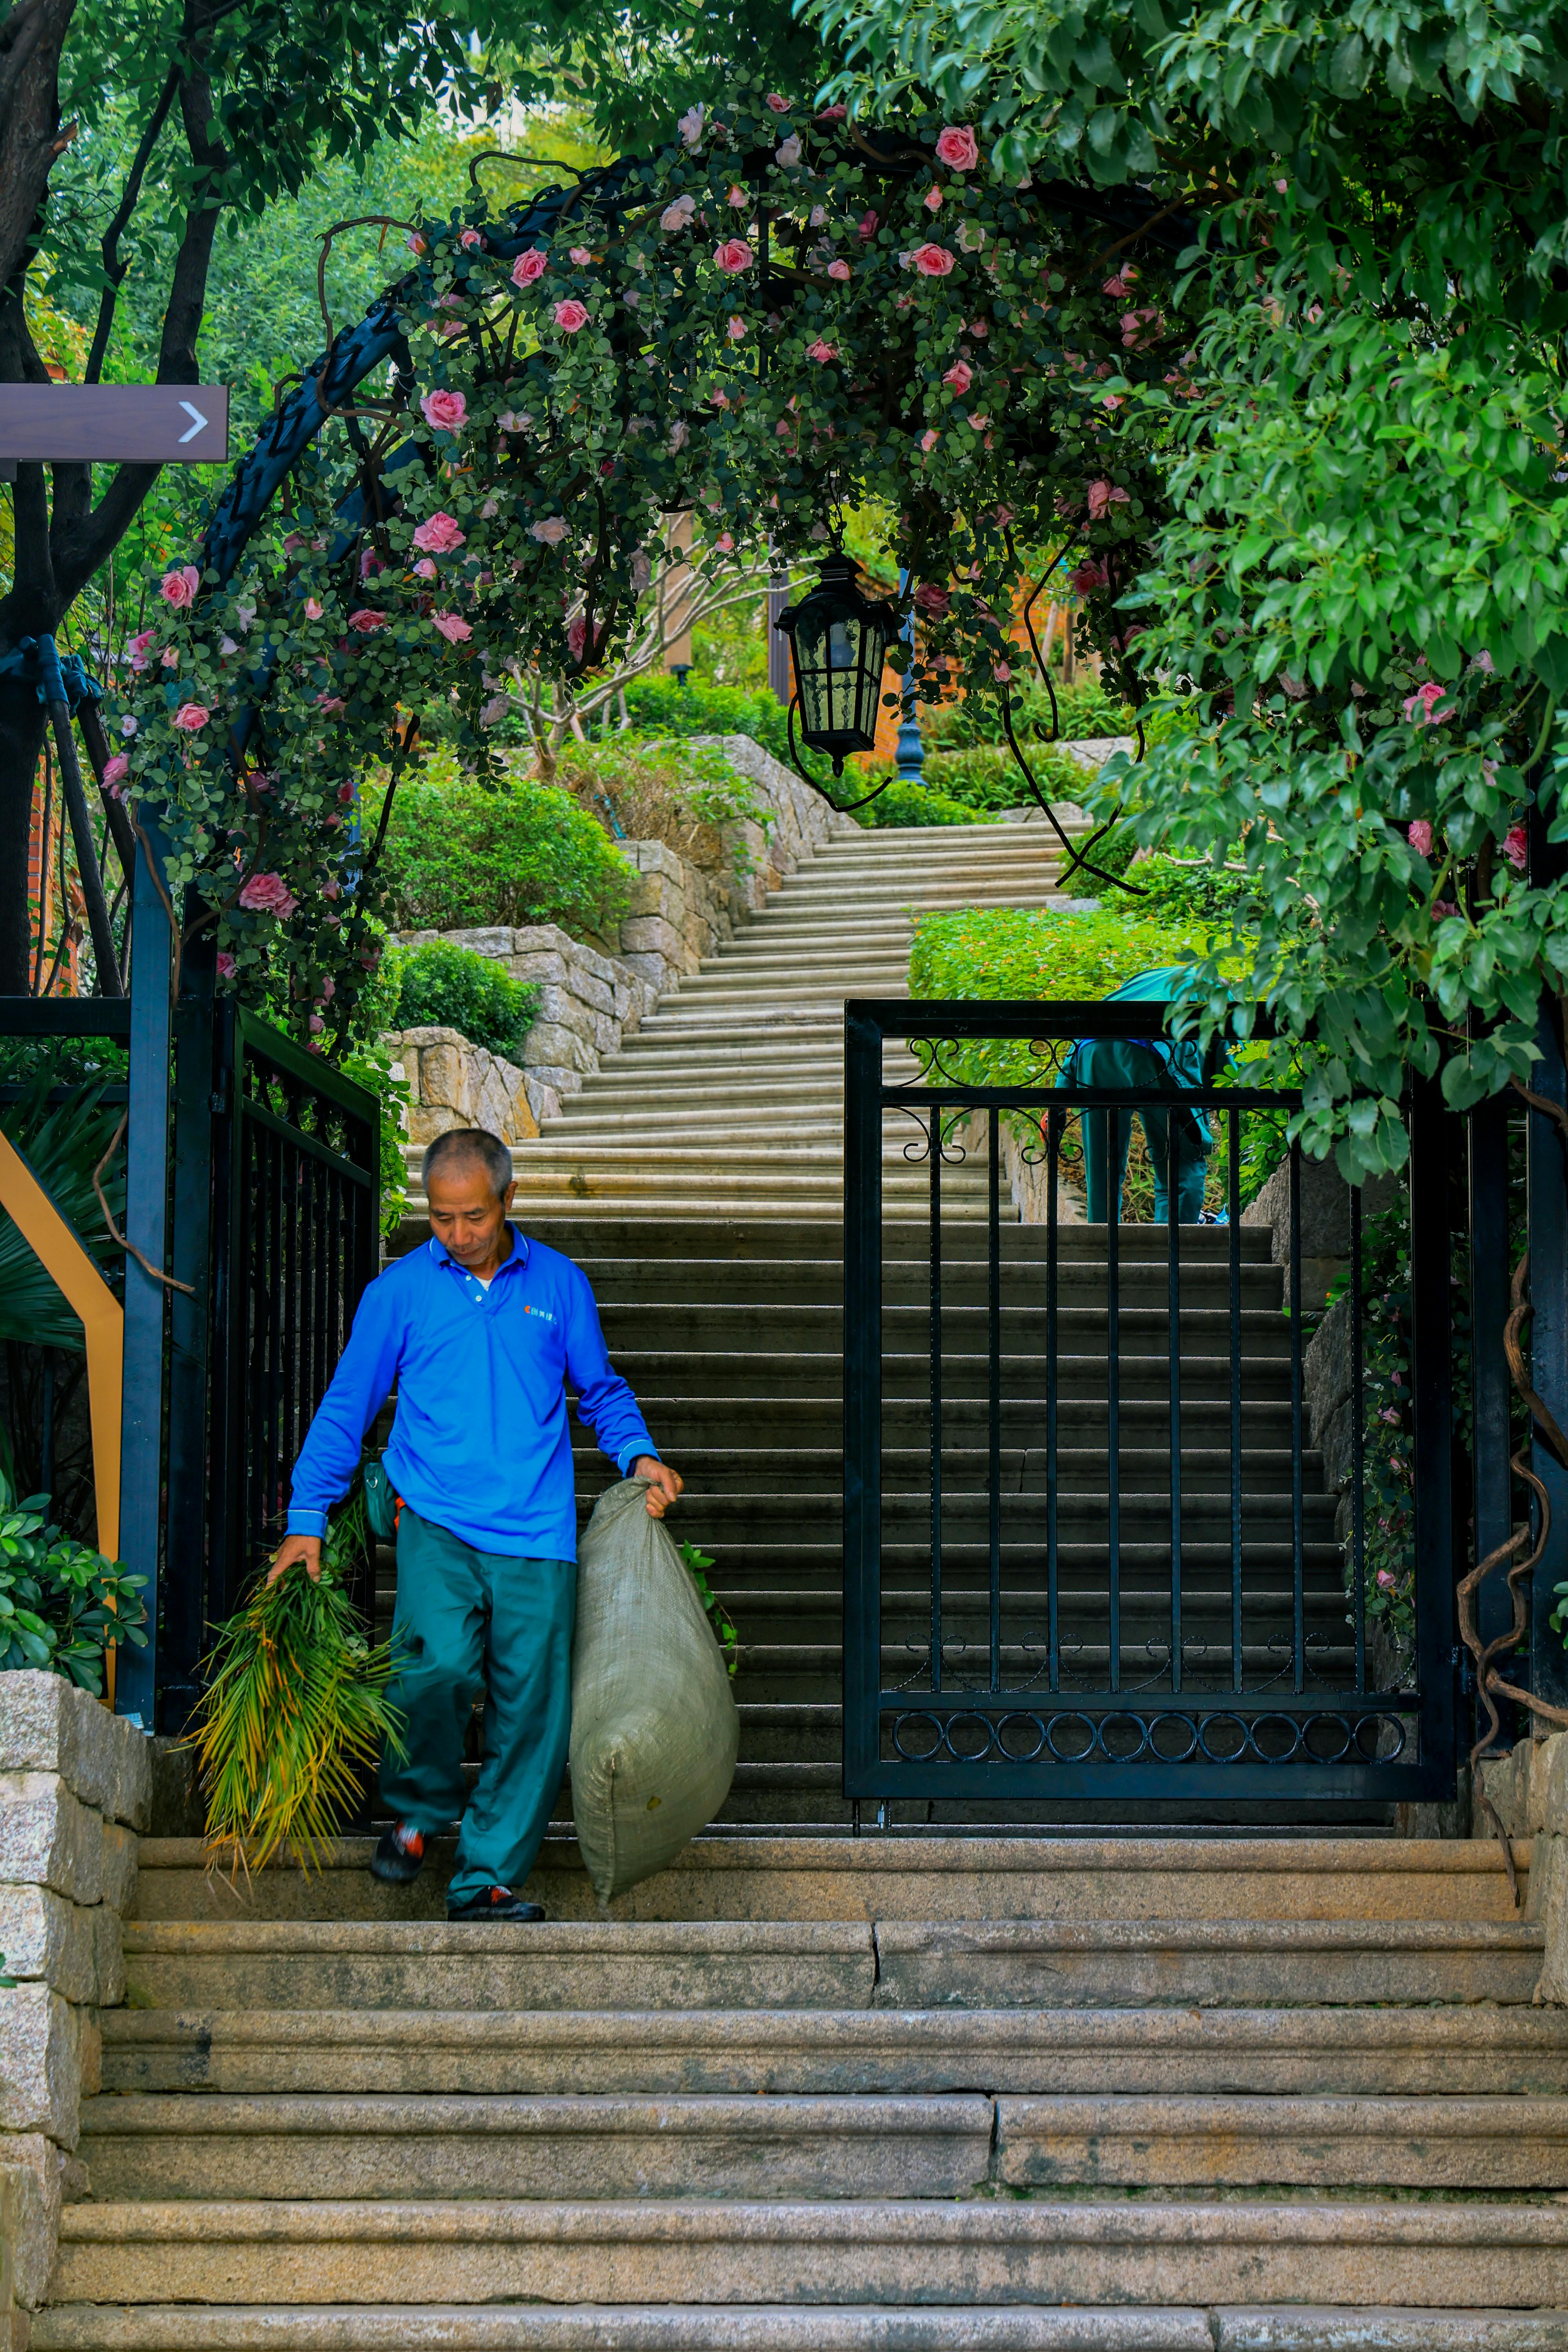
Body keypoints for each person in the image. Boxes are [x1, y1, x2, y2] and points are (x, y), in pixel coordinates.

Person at [267, 1125, 682, 1923]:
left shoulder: (559, 1286)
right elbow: (346, 1407)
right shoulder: (398, 1293)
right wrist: (305, 1517)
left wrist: (639, 1457)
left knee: (531, 1710)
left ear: (509, 1202)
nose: (457, 1235)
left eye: (474, 1218)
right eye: (441, 1219)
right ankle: (421, 1810)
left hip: (536, 1532)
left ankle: (486, 1876)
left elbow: (599, 1391)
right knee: (433, 1671)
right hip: (436, 1519)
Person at [1059, 965, 1220, 1225]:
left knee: (1102, 1170)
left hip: (1091, 1051)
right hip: (1149, 1050)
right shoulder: (1216, 987)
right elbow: (1231, 1067)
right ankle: (1171, 1253)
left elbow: (1084, 1032)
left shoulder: (1140, 981)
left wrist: (1057, 1107)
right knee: (1179, 1164)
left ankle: (1102, 1248)